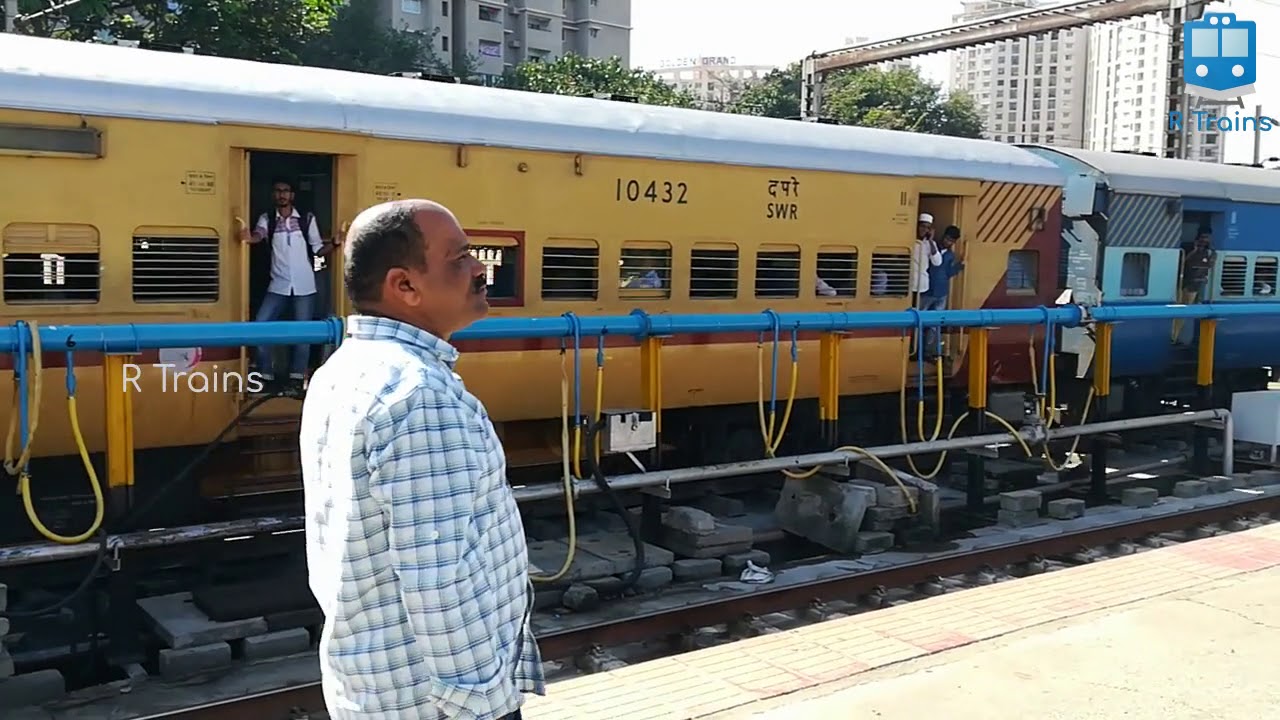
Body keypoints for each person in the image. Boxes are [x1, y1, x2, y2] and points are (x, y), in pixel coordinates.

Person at [298, 199, 543, 720]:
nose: (480, 268)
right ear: (404, 286)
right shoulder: (416, 393)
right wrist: (480, 703)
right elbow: (436, 578)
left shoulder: (342, 372)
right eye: (459, 258)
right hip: (439, 705)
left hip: (377, 688)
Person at [239, 178, 337, 391]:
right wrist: (248, 237)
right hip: (279, 284)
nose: (281, 194)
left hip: (305, 285)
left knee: (303, 334)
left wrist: (337, 243)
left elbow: (318, 249)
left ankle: (296, 377)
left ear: (292, 195)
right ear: (273, 195)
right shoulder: (268, 219)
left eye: (285, 191)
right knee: (260, 326)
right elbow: (258, 236)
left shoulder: (306, 220)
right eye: (278, 191)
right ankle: (265, 374)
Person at [921, 225, 965, 357]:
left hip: (941, 292)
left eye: (951, 240)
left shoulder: (951, 255)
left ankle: (927, 350)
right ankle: (917, 347)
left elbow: (948, 273)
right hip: (928, 289)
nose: (948, 242)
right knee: (921, 320)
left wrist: (959, 266)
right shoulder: (932, 248)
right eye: (947, 238)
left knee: (935, 323)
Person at [1172, 225, 1214, 345]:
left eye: (1207, 238)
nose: (1205, 240)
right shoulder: (1188, 247)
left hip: (1195, 285)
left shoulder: (1209, 251)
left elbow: (1209, 265)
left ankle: (1175, 336)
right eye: (1203, 237)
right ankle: (1172, 335)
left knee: (1183, 313)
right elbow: (1182, 261)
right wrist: (1194, 251)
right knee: (1176, 311)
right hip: (1182, 283)